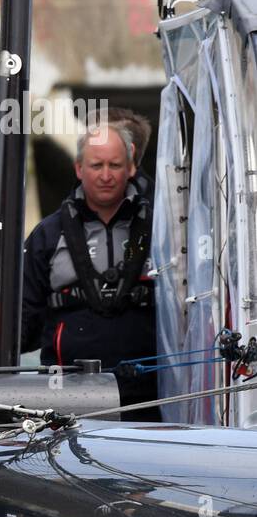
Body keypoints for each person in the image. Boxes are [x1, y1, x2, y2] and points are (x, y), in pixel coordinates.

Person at [21, 119, 157, 417]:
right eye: (97, 166)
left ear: (131, 167)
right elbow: (24, 322)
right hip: (69, 394)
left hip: (151, 392)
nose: (106, 176)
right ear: (79, 169)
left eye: (115, 165)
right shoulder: (47, 235)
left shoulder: (163, 230)